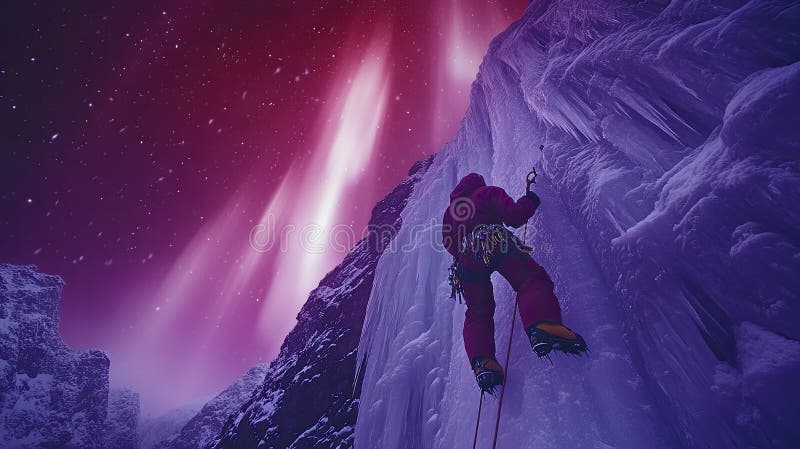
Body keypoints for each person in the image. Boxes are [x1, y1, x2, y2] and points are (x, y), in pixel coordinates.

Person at [442, 172, 588, 394]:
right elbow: (513, 217)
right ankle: (543, 324)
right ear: (478, 185)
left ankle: (483, 363)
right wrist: (530, 199)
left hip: (465, 262)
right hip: (492, 240)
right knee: (530, 279)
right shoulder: (485, 193)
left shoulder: (449, 214)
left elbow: (449, 244)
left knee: (478, 310)